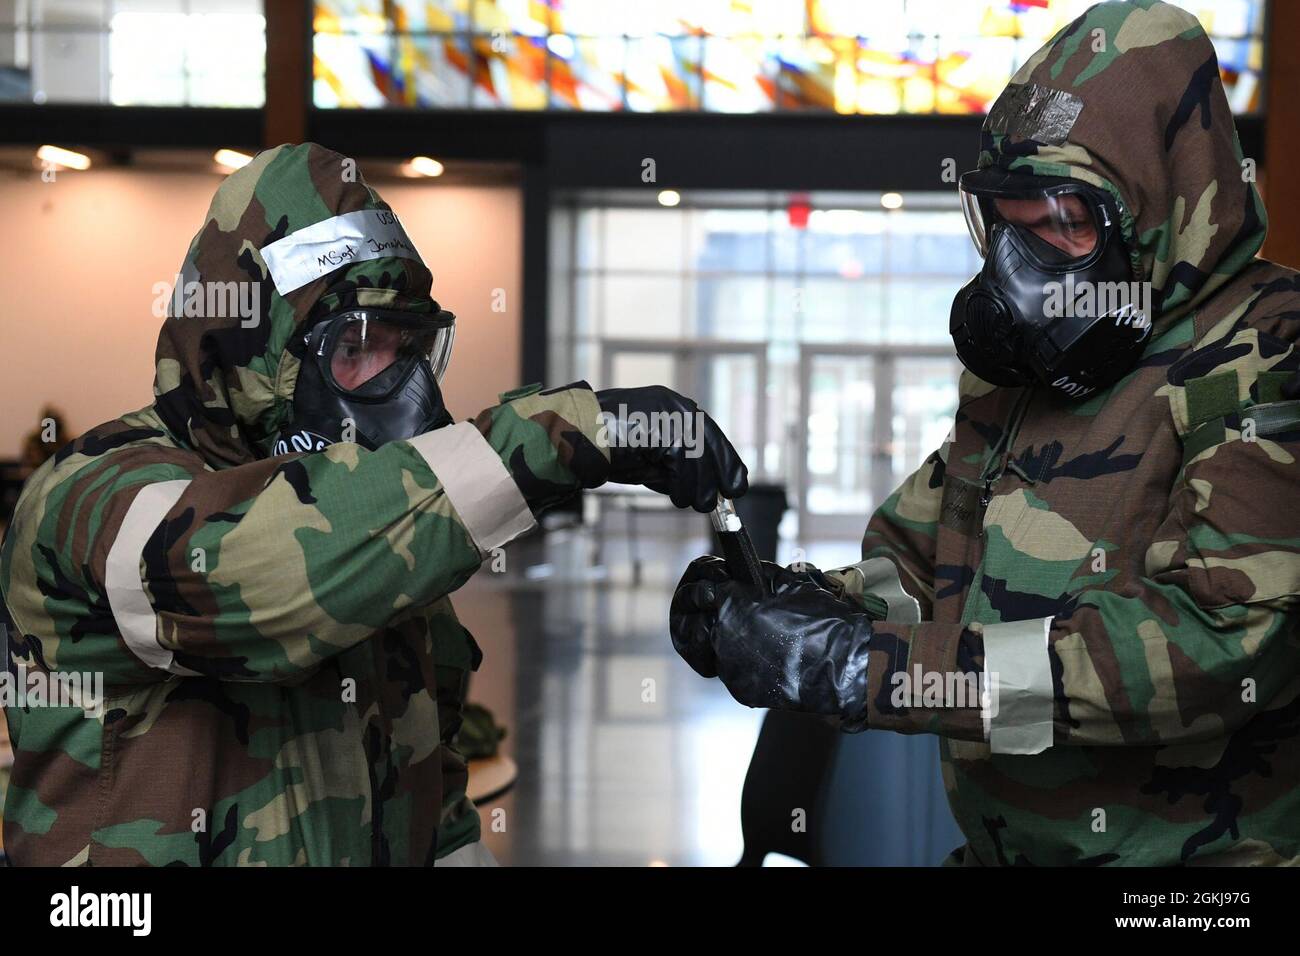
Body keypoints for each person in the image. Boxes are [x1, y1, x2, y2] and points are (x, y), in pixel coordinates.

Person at [671, 0, 1300, 866]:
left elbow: (1212, 649)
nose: (1022, 272)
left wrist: (871, 672)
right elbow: (920, 568)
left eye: (1061, 225)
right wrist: (790, 605)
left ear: (1162, 205)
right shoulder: (1021, 377)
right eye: (1006, 223)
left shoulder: (1268, 349)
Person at [0, 143, 746, 866]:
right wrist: (567, 435)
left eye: (408, 347)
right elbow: (265, 572)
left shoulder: (382, 554)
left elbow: (431, 806)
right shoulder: (91, 497)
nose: (398, 388)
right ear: (246, 352)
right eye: (354, 347)